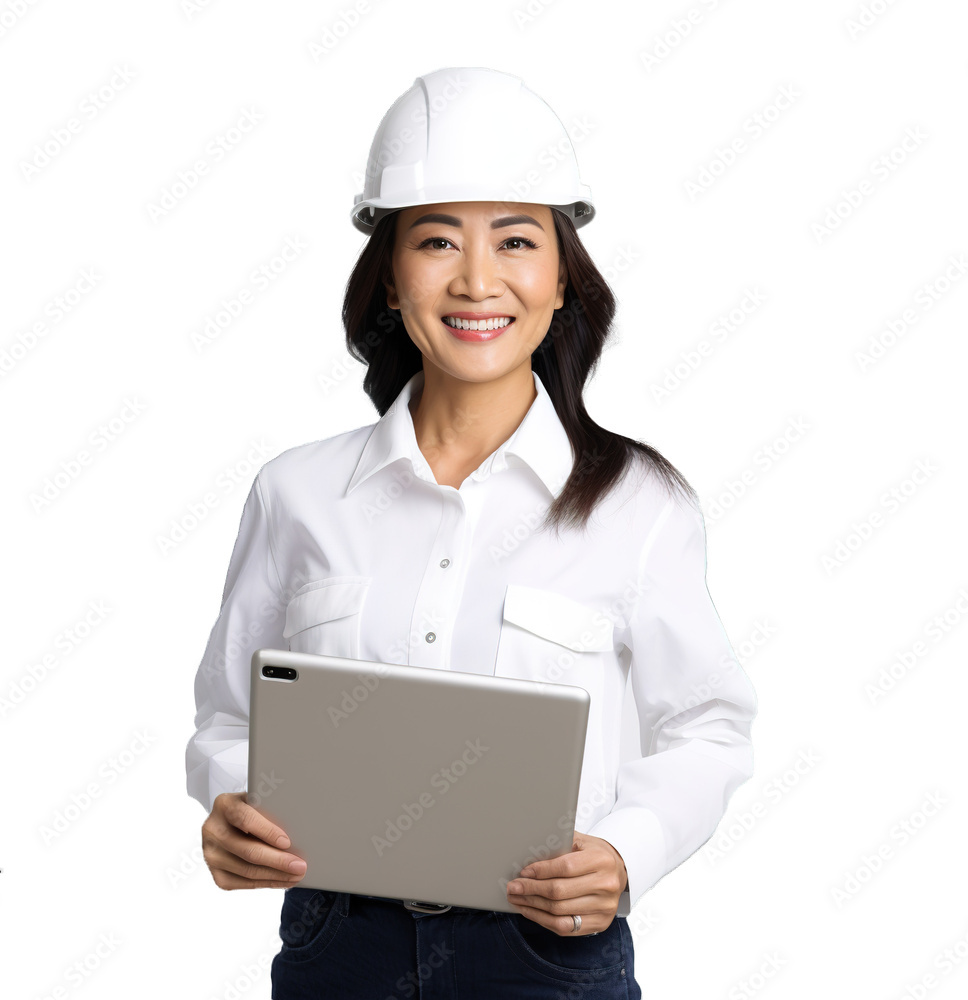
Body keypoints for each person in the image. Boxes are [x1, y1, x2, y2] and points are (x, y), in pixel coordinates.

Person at [185, 66, 758, 999]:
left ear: (563, 277)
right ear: (390, 279)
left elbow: (708, 723)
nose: (478, 280)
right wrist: (229, 802)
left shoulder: (639, 504)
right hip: (338, 947)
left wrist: (625, 852)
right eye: (438, 239)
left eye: (517, 240)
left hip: (546, 954)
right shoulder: (297, 493)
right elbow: (228, 714)